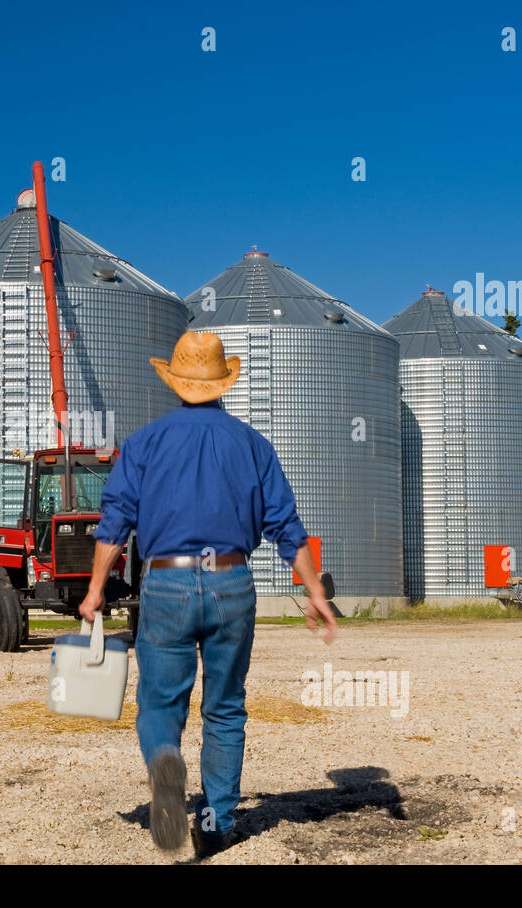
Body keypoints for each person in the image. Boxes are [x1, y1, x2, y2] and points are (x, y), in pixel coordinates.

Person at [78, 330, 337, 858]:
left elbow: (114, 522)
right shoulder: (252, 444)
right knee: (225, 707)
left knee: (159, 702)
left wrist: (94, 591)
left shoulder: (145, 442)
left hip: (167, 582)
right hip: (232, 581)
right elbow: (288, 525)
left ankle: (166, 768)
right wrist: (315, 593)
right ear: (223, 385)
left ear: (174, 382)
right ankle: (217, 821)